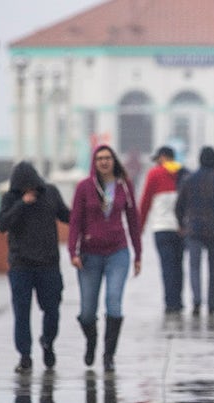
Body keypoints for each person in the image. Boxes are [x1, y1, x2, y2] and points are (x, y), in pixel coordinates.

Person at [69, 145, 143, 372]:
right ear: (94, 162)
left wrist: (138, 253)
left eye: (108, 158)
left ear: (114, 161)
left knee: (114, 302)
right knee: (87, 311)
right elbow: (75, 222)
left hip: (117, 253)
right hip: (90, 254)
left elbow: (133, 220)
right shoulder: (84, 187)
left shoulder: (123, 185)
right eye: (99, 158)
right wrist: (73, 251)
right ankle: (91, 341)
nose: (104, 162)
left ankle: (109, 355)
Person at [0, 161, 71, 373]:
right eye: (23, 187)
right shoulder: (10, 199)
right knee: (21, 313)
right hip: (21, 265)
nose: (28, 190)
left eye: (31, 186)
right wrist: (22, 203)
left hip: (48, 264)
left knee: (52, 310)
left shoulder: (51, 193)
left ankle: (47, 341)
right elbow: (1, 224)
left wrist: (90, 217)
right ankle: (25, 356)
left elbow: (66, 215)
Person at [174, 146, 214, 316]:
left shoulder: (188, 180)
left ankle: (196, 300)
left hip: (193, 229)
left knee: (194, 266)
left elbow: (179, 206)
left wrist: (182, 224)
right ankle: (212, 300)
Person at [139, 146, 188, 314]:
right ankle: (179, 301)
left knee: (167, 266)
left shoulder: (154, 174)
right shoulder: (183, 173)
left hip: (161, 228)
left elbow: (145, 201)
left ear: (162, 157)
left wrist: (140, 226)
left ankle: (170, 302)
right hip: (180, 228)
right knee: (179, 266)